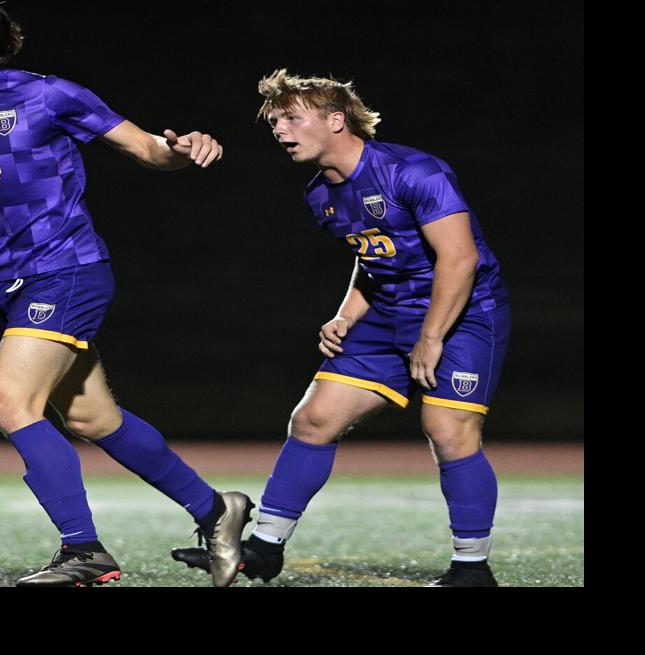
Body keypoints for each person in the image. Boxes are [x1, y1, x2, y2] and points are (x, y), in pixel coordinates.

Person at [0, 1, 251, 587]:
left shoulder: (46, 95)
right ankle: (216, 511)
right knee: (92, 417)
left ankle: (84, 551)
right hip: (1, 281)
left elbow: (146, 148)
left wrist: (179, 150)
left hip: (66, 268)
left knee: (8, 401)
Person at [174, 70, 511, 587]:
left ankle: (472, 569)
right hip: (387, 314)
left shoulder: (415, 171)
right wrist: (347, 315)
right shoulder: (319, 194)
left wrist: (432, 336)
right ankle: (263, 550)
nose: (280, 130)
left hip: (462, 312)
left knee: (448, 430)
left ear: (336, 120)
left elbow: (460, 259)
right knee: (313, 420)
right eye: (274, 122)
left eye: (292, 117)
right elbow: (373, 256)